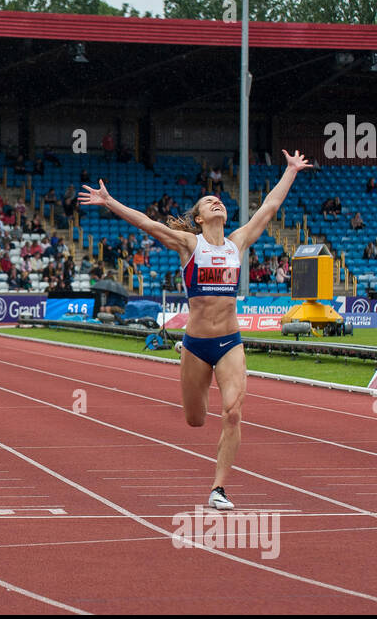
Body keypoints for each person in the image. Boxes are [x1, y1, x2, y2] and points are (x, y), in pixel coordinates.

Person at [80, 149, 312, 510]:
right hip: (196, 343)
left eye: (217, 199)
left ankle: (218, 488)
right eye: (208, 202)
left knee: (233, 412)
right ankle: (184, 359)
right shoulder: (190, 244)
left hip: (230, 342)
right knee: (195, 419)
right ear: (200, 219)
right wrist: (110, 202)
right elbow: (148, 224)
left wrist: (291, 171)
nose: (215, 202)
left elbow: (268, 207)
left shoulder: (238, 243)